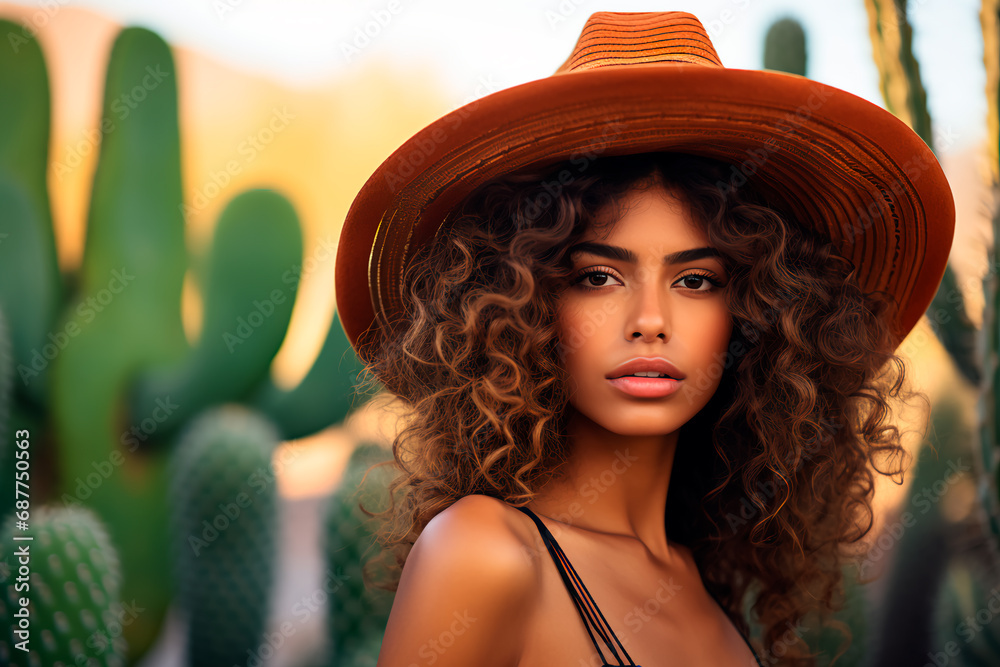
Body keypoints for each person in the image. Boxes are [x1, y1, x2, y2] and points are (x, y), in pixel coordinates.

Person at [333, 11, 954, 667]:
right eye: (598, 276)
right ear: (525, 302)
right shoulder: (482, 553)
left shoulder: (701, 579)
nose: (650, 318)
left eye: (695, 280)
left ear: (756, 312)